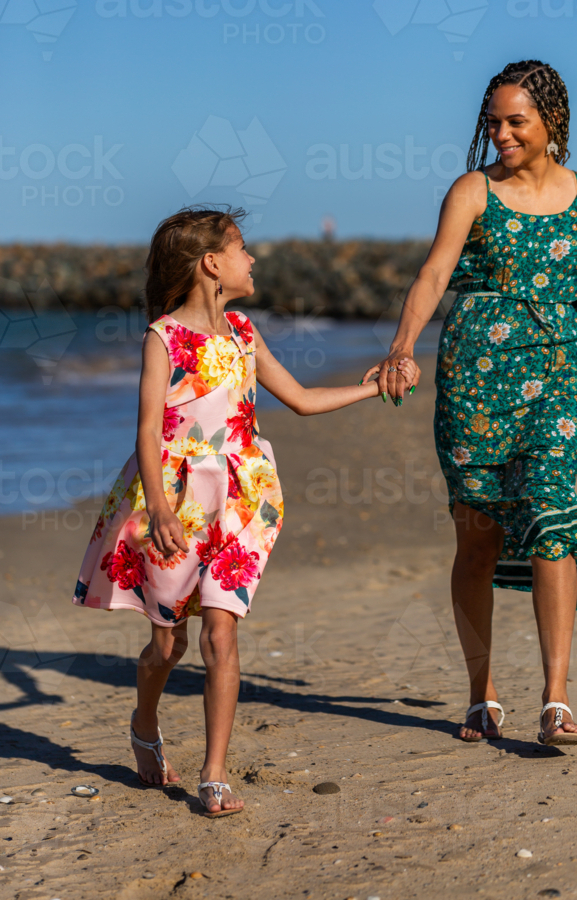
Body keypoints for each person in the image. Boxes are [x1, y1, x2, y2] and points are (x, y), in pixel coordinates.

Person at [72, 206, 396, 816]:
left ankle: (213, 774)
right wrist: (162, 510)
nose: (254, 260)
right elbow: (146, 432)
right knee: (168, 648)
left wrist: (372, 386)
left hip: (242, 501)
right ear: (211, 264)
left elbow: (298, 399)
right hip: (174, 503)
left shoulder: (245, 332)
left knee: (222, 629)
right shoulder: (163, 337)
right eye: (243, 249)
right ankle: (144, 725)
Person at [362, 60, 577, 747]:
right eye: (493, 122)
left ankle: (556, 700)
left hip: (556, 371)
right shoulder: (471, 191)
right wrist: (400, 347)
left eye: (516, 121)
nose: (501, 134)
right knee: (476, 537)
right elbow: (433, 273)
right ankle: (480, 692)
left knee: (550, 512)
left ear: (551, 123)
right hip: (475, 378)